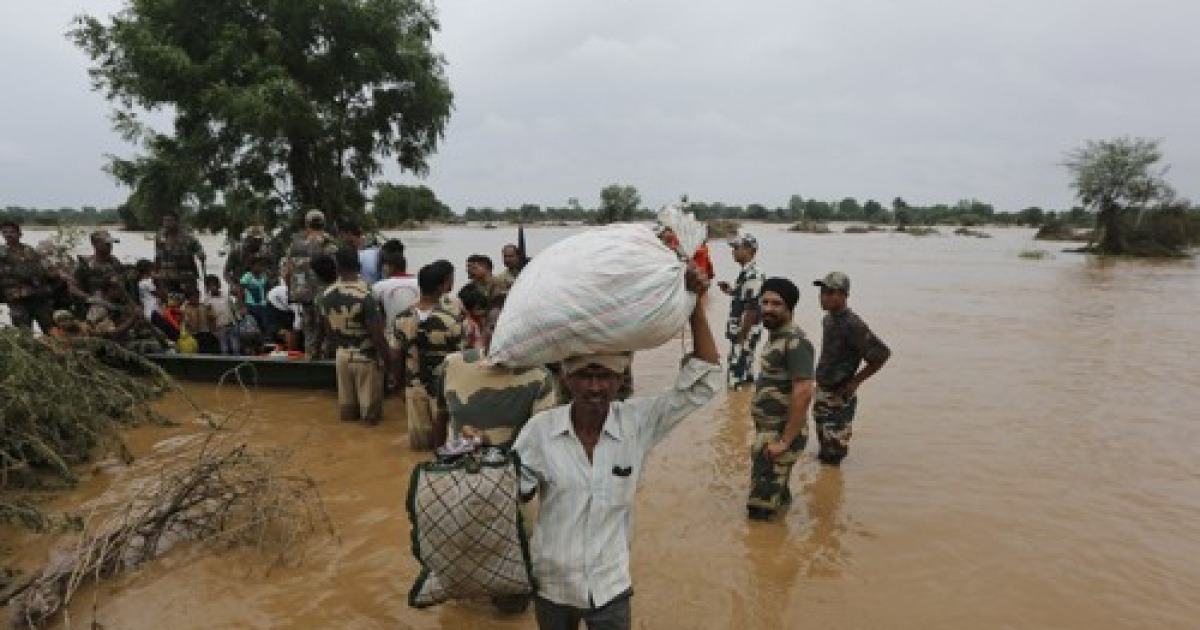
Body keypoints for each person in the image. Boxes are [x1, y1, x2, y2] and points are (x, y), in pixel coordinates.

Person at [513, 266, 719, 630]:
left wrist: (695, 307)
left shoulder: (637, 423)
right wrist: (481, 456)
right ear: (567, 379)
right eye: (584, 376)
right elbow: (514, 491)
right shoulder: (540, 431)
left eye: (604, 376)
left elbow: (701, 384)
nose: (595, 387)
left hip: (609, 586)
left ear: (620, 379)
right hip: (552, 585)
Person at [746, 278, 816, 520]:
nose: (768, 308)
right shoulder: (777, 336)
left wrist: (785, 441)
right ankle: (782, 539)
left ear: (790, 308)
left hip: (779, 436)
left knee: (759, 512)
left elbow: (804, 391)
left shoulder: (796, 342)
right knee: (776, 499)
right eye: (764, 302)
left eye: (776, 304)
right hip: (769, 432)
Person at [812, 271, 891, 465]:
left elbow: (882, 354)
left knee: (834, 455)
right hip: (823, 393)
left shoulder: (852, 324)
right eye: (822, 292)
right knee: (823, 451)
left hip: (839, 397)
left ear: (845, 295)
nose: (824, 297)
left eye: (830, 293)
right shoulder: (829, 319)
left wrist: (856, 381)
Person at [312, 248, 391, 424]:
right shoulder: (366, 294)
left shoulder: (326, 294)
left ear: (337, 268)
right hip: (366, 358)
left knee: (347, 415)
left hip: (342, 357)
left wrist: (318, 350)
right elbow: (377, 335)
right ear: (359, 266)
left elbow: (325, 330)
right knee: (370, 419)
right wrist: (388, 363)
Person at [391, 262, 464, 449]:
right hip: (443, 389)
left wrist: (397, 384)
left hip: (413, 387)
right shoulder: (450, 321)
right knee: (445, 445)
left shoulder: (401, 318)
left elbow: (396, 355)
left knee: (418, 446)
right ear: (441, 286)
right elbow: (460, 358)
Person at [283, 209, 338, 354]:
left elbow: (287, 272)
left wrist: (292, 292)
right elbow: (336, 270)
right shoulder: (329, 243)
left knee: (309, 330)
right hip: (324, 295)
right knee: (326, 330)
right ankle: (326, 360)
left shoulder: (295, 245)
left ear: (307, 224)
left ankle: (310, 358)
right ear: (323, 224)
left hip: (303, 296)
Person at [717, 233, 765, 389]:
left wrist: (742, 335)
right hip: (744, 332)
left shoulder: (753, 274)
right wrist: (731, 291)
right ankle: (744, 401)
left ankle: (735, 401)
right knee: (745, 373)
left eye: (737, 248)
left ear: (750, 250)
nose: (733, 251)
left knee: (735, 378)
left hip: (745, 333)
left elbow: (752, 308)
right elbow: (747, 297)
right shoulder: (747, 272)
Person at [0, 219, 55, 333]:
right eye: (5, 232)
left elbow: (44, 270)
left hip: (38, 296)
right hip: (17, 300)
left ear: (19, 234)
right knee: (24, 334)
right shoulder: (1, 253)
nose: (8, 235)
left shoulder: (30, 250)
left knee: (50, 330)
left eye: (12, 232)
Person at [72, 230, 126, 312]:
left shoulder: (115, 262)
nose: (110, 246)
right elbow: (73, 288)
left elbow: (121, 284)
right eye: (106, 244)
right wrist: (90, 298)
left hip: (116, 307)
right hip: (94, 309)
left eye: (111, 244)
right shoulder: (86, 265)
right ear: (95, 244)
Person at [153, 210, 206, 295]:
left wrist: (201, 254)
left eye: (169, 220)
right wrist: (155, 272)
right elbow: (158, 255)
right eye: (165, 221)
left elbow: (198, 249)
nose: (167, 223)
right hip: (166, 276)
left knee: (190, 298)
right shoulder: (159, 236)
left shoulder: (187, 237)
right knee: (169, 300)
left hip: (185, 275)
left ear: (176, 222)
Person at [371, 247, 419, 338]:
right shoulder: (420, 282)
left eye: (385, 266)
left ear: (391, 267)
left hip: (392, 335)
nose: (383, 269)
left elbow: (372, 311)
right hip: (417, 333)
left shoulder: (379, 286)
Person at [223, 225, 271, 291]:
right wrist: (233, 285)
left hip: (259, 290)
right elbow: (226, 272)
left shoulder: (264, 254)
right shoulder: (237, 253)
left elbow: (271, 271)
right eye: (256, 240)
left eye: (261, 240)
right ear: (249, 239)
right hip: (239, 289)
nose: (259, 242)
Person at [204, 274, 238, 355]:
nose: (213, 287)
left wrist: (236, 321)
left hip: (231, 324)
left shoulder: (226, 296)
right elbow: (209, 317)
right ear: (208, 287)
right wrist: (213, 330)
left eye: (214, 284)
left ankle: (238, 360)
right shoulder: (207, 301)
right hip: (220, 327)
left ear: (218, 285)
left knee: (235, 347)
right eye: (210, 285)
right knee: (224, 349)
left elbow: (233, 309)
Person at [239, 257, 272, 338]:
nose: (260, 268)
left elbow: (267, 289)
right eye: (258, 265)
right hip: (251, 305)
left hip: (263, 305)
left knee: (265, 324)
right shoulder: (247, 276)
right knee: (253, 326)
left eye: (261, 266)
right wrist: (243, 306)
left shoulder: (264, 276)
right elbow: (240, 292)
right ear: (252, 266)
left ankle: (266, 340)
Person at [181, 287, 219, 354]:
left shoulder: (204, 307)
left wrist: (214, 332)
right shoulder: (185, 309)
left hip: (205, 334)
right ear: (188, 298)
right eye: (192, 297)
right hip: (192, 335)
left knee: (207, 352)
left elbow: (212, 319)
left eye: (197, 296)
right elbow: (185, 323)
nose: (195, 298)